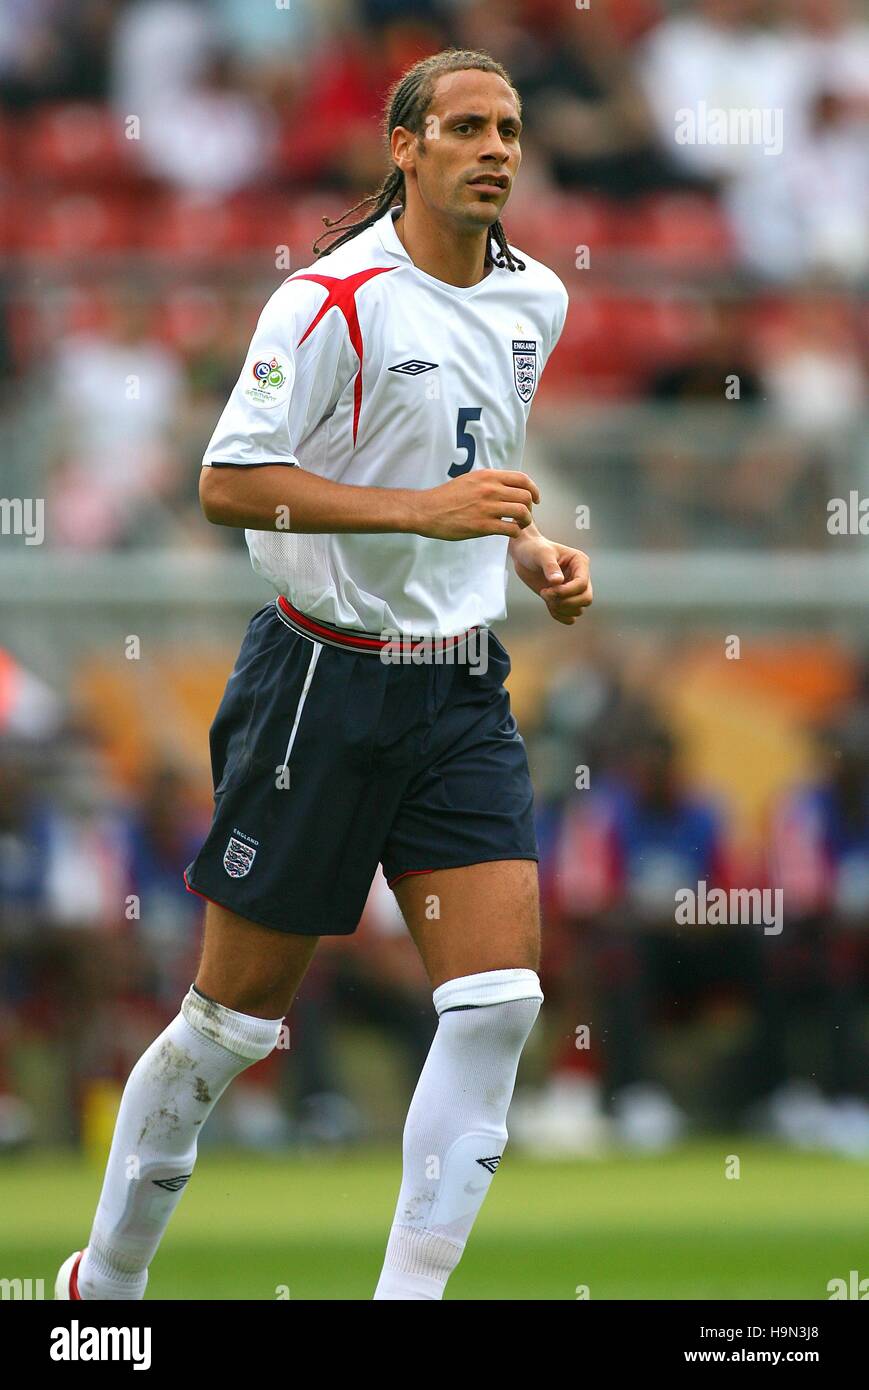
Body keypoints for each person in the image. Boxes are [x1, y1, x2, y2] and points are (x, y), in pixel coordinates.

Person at [56, 46, 592, 1303]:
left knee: (500, 1002)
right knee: (229, 1029)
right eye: (465, 126)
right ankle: (107, 1287)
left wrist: (527, 547)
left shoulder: (538, 302)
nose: (496, 147)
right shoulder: (328, 300)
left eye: (508, 127)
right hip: (318, 682)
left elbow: (477, 469)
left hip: (458, 686)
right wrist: (422, 515)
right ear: (403, 145)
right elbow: (226, 481)